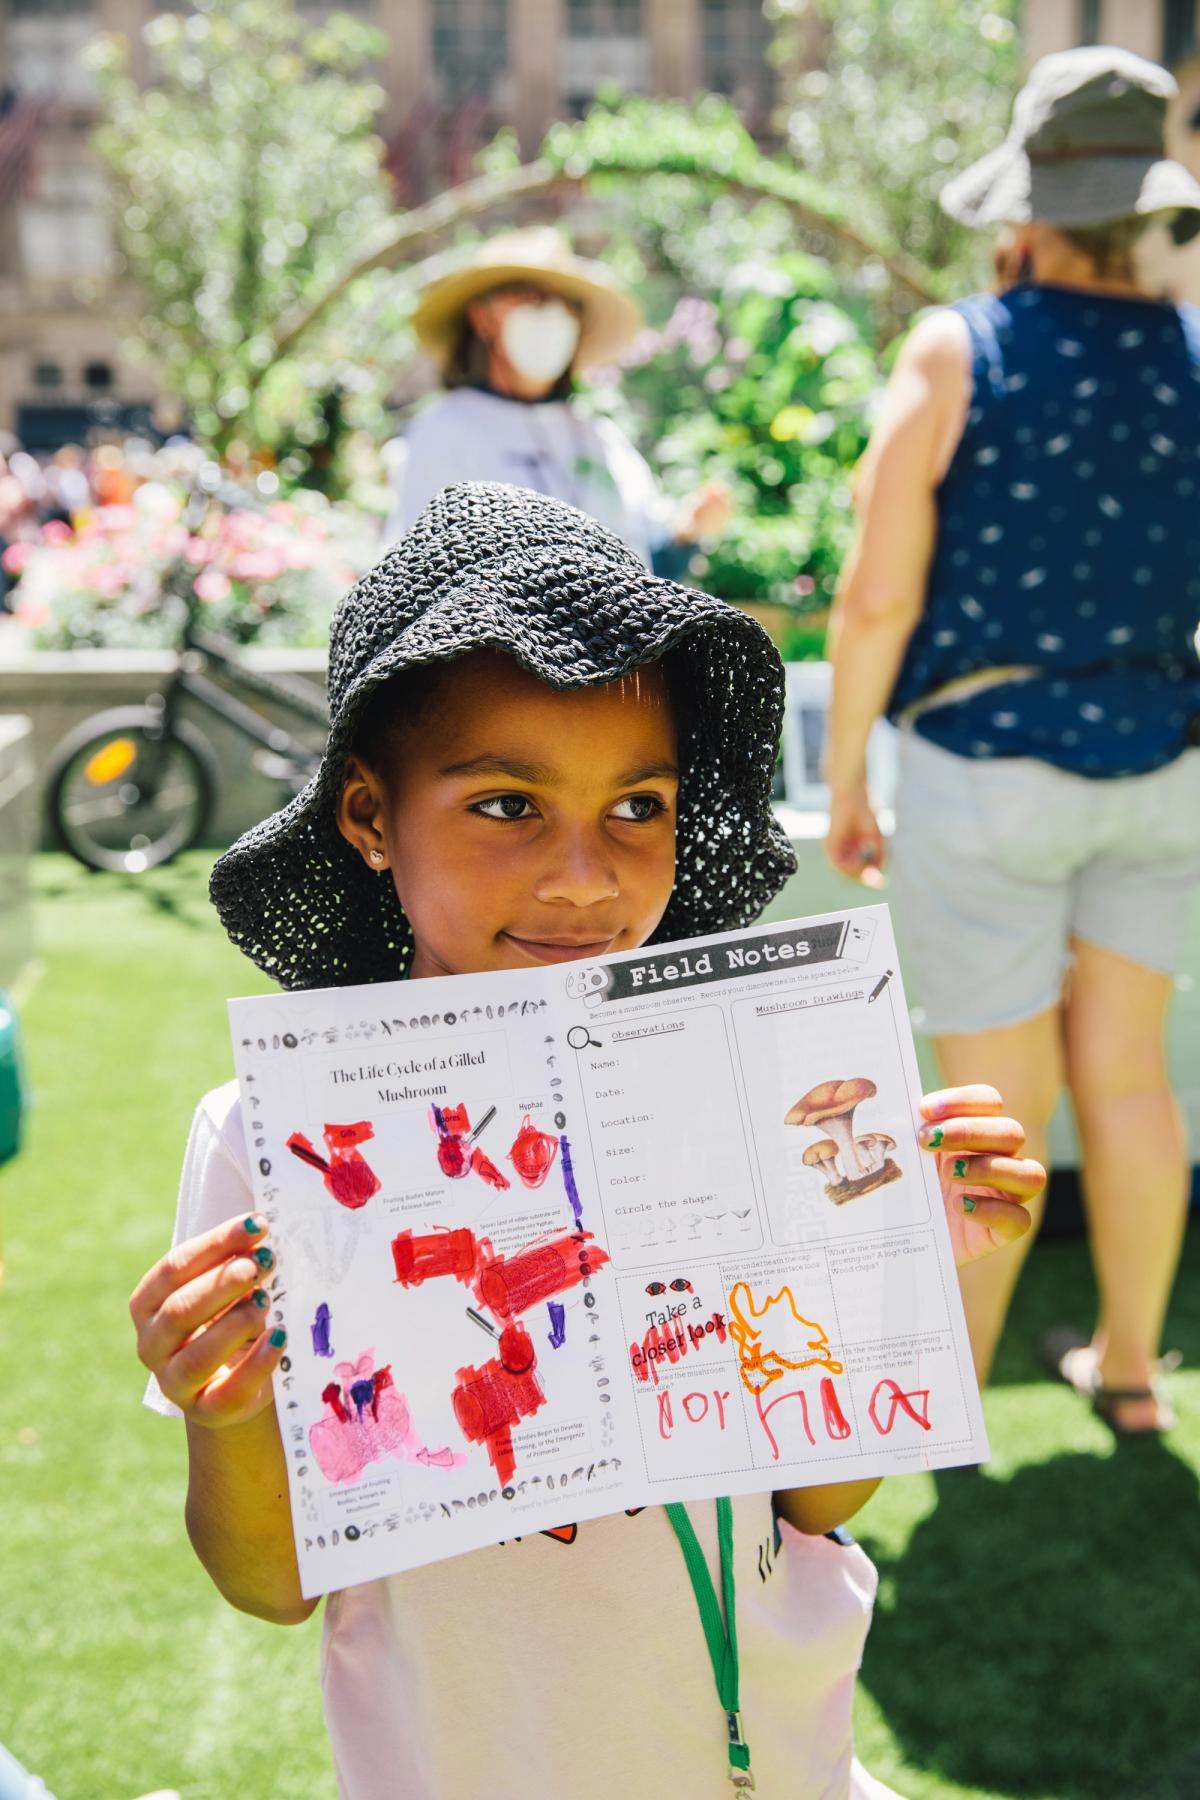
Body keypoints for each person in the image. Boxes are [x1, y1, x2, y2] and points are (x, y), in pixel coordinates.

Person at [131, 483, 1041, 1799]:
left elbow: (820, 1503)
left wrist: (905, 1265)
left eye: (639, 806)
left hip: (768, 1762)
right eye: (507, 805)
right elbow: (269, 1586)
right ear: (371, 816)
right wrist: (226, 1416)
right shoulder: (280, 1144)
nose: (586, 874)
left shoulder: (744, 1086)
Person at [823, 46, 1200, 1434]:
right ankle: (1132, 1371)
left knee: (992, 1103)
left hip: (989, 772)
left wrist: (849, 767)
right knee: (1129, 1076)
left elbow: (877, 594)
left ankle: (956, 1397)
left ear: (1029, 198)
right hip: (1164, 768)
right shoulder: (1195, 347)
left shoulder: (956, 348)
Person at [382, 226, 729, 573]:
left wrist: (687, 534)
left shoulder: (602, 440)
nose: (552, 312)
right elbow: (419, 583)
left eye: (566, 302)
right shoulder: (444, 436)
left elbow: (645, 571)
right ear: (482, 316)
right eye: (531, 295)